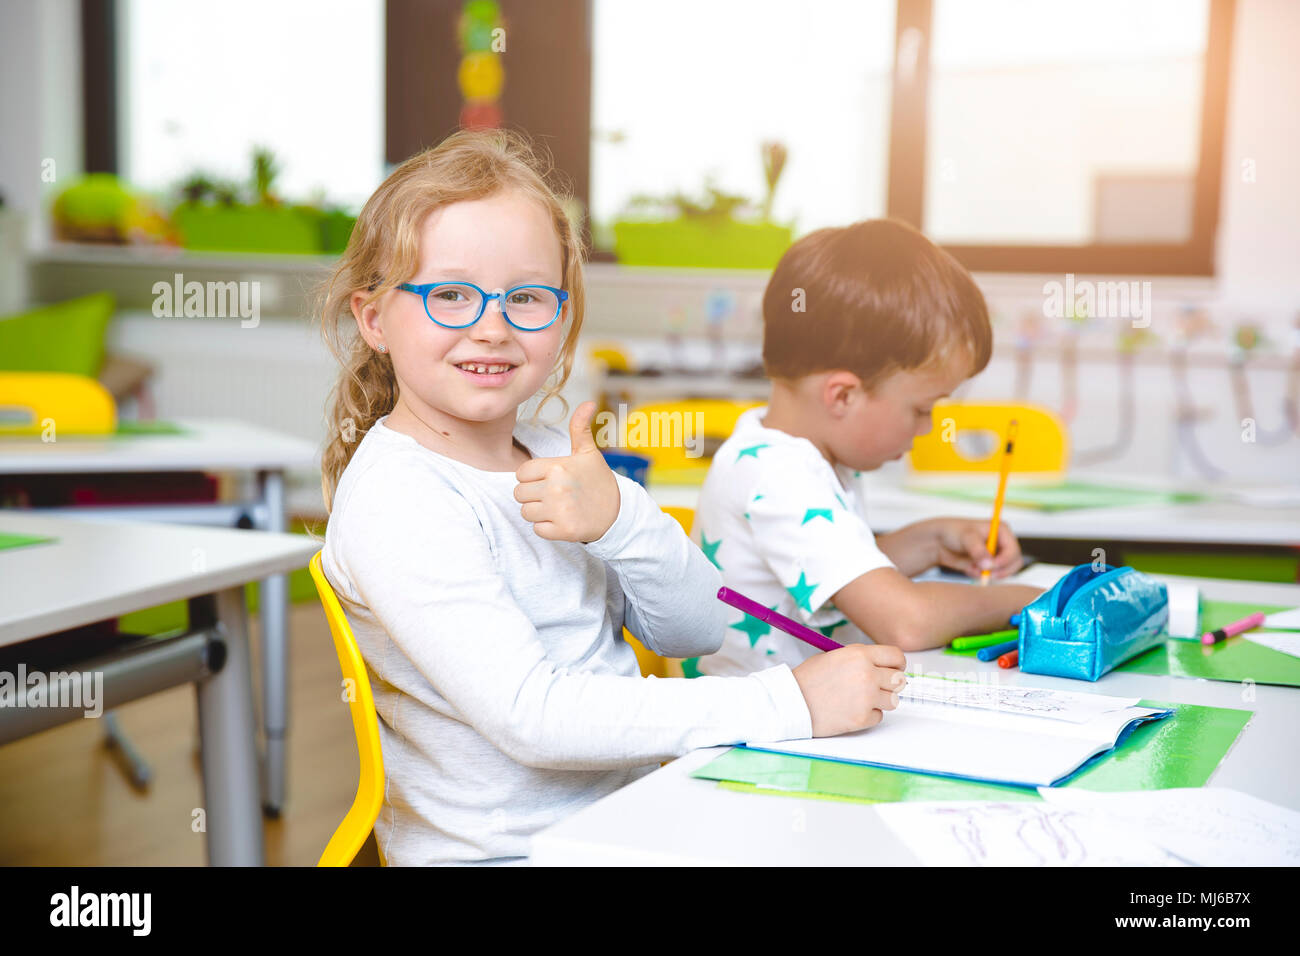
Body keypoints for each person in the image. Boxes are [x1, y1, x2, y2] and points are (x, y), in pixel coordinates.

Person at [316, 130, 907, 864]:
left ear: (561, 319)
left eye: (526, 296)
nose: (492, 326)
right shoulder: (400, 499)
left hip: (631, 824)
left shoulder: (559, 454)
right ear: (373, 319)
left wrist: (623, 519)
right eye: (451, 295)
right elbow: (534, 717)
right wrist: (789, 701)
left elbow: (696, 629)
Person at [695, 218, 1044, 677]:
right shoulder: (777, 474)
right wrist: (1036, 599)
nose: (928, 428)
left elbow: (833, 575)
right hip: (756, 738)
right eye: (922, 408)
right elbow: (907, 621)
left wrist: (933, 540)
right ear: (843, 396)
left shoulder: (788, 452)